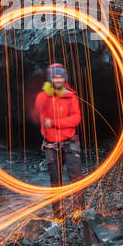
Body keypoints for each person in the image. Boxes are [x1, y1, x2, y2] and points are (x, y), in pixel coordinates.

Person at [34, 62, 84, 220]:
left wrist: (55, 123)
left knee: (75, 177)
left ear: (64, 78)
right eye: (54, 77)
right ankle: (59, 215)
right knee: (56, 181)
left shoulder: (71, 96)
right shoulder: (43, 97)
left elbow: (76, 119)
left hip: (70, 142)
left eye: (60, 77)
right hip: (51, 145)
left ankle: (78, 211)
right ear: (50, 78)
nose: (58, 80)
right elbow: (41, 115)